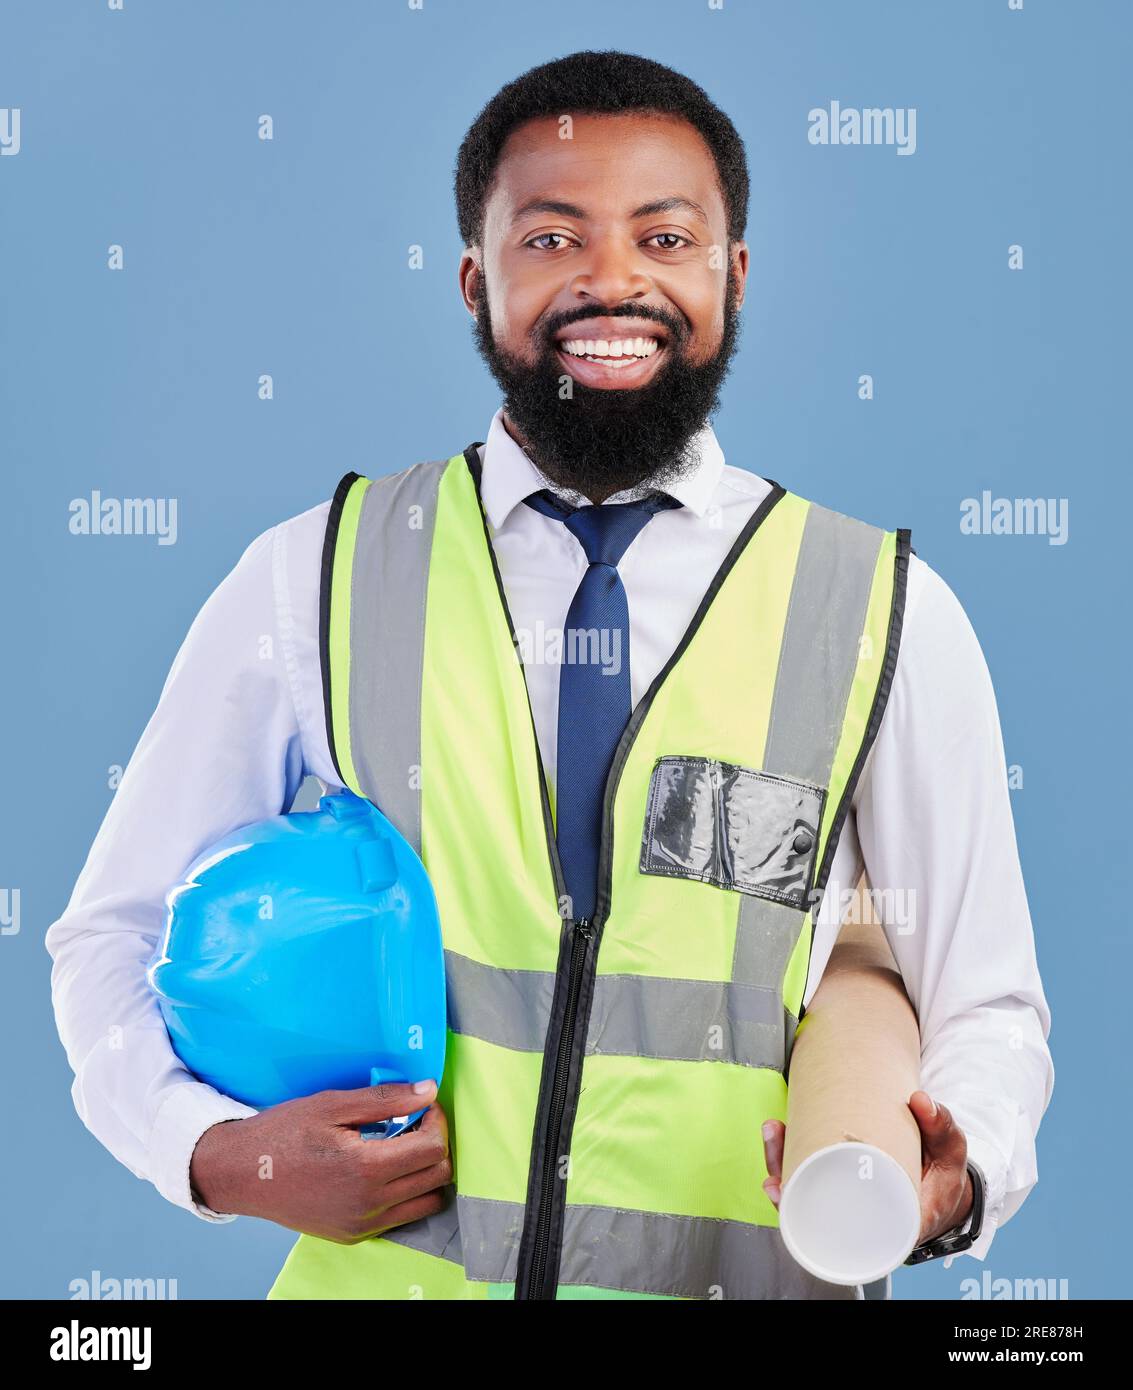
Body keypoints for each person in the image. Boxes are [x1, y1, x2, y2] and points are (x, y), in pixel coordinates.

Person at [46, 50, 1053, 1301]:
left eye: (665, 236)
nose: (612, 280)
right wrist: (213, 1155)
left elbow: (985, 1005)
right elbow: (112, 937)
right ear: (478, 281)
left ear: (730, 277)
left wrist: (954, 1173)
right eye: (552, 237)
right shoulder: (315, 572)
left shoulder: (880, 610)